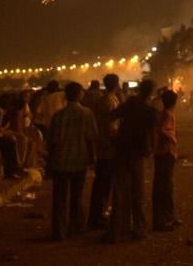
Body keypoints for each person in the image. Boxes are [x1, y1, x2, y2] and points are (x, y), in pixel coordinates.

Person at [106, 79, 158, 243]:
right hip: (138, 153)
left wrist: (113, 137)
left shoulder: (130, 104)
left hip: (121, 151)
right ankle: (139, 229)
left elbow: (110, 116)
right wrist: (152, 152)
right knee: (137, 193)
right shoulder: (150, 111)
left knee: (120, 191)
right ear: (151, 92)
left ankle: (116, 230)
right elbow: (153, 134)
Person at [47, 82, 98, 241]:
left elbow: (51, 141)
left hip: (60, 160)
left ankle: (59, 231)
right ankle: (75, 228)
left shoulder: (58, 115)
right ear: (79, 94)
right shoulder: (87, 113)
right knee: (77, 196)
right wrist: (93, 157)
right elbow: (92, 137)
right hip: (79, 160)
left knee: (59, 199)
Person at [87, 73, 121, 229]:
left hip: (102, 147)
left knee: (102, 183)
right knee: (104, 184)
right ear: (116, 84)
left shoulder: (102, 99)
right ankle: (98, 217)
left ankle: (97, 215)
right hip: (108, 148)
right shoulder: (110, 101)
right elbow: (111, 126)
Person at [153, 89, 180, 231]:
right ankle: (164, 218)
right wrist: (173, 139)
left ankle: (169, 216)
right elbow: (162, 130)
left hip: (162, 152)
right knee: (165, 186)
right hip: (166, 152)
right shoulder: (168, 115)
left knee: (166, 186)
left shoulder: (163, 113)